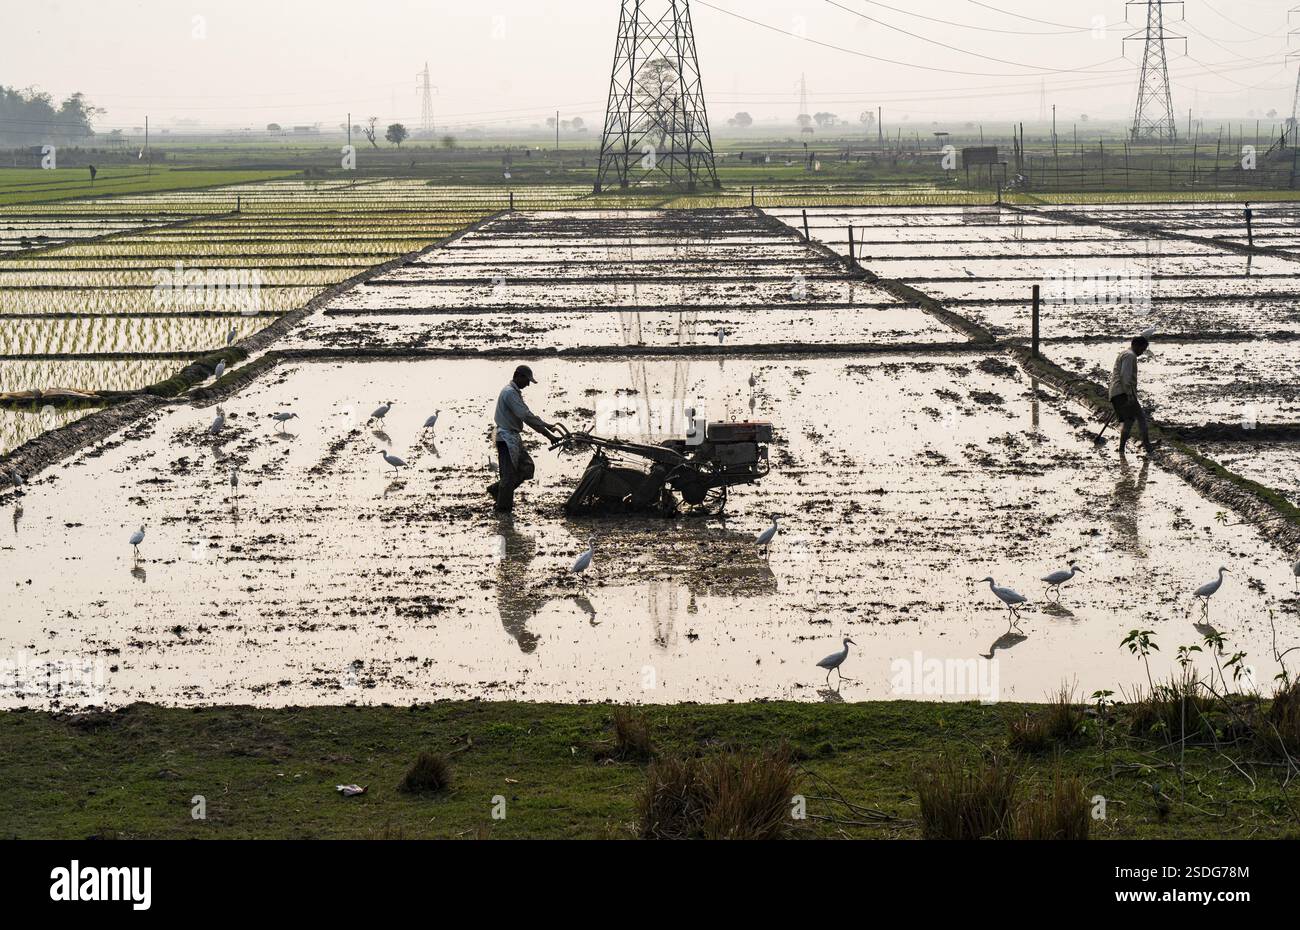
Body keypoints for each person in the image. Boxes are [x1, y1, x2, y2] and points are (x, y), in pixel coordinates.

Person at [492, 365, 558, 512]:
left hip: (513, 437)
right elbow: (526, 416)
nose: (528, 384)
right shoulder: (509, 393)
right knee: (508, 477)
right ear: (518, 376)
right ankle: (503, 510)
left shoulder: (514, 393)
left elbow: (527, 413)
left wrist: (547, 429)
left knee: (527, 467)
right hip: (506, 438)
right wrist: (547, 432)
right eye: (526, 380)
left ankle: (498, 490)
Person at [1108, 336, 1160, 456]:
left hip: (1117, 393)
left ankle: (1121, 449)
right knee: (1141, 418)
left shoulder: (1125, 353)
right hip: (1123, 392)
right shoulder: (1130, 356)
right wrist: (1129, 395)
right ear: (1136, 345)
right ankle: (1148, 448)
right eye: (1142, 349)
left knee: (1129, 421)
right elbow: (1125, 377)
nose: (1142, 352)